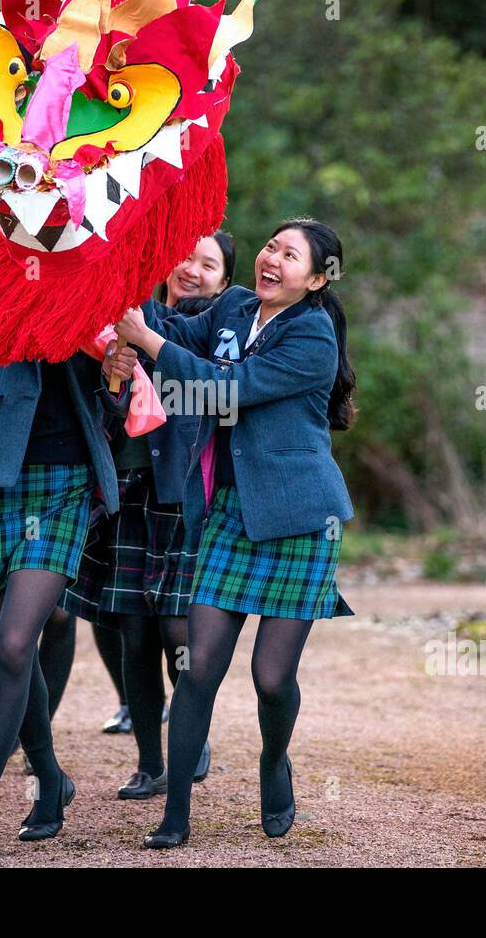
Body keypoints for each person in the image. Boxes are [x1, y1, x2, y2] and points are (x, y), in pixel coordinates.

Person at [111, 217, 357, 848]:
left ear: (316, 279)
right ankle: (176, 814)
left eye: (290, 255)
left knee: (271, 678)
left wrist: (151, 344)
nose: (272, 260)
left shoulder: (313, 337)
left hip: (300, 518)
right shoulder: (232, 307)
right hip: (226, 512)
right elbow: (167, 325)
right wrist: (122, 257)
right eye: (271, 247)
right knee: (198, 668)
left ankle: (274, 763)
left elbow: (227, 390)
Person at [0, 204, 123, 858]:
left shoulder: (76, 282)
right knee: (8, 645)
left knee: (16, 645)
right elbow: (15, 334)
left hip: (62, 478)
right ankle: (49, 779)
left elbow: (106, 370)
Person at [61, 233, 234, 799]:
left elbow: (217, 401)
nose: (193, 269)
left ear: (225, 283)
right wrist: (114, 373)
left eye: (209, 265)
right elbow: (107, 408)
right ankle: (148, 761)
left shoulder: (220, 337)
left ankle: (192, 736)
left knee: (178, 628)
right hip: (130, 495)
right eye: (185, 256)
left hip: (187, 498)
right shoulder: (131, 315)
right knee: (134, 631)